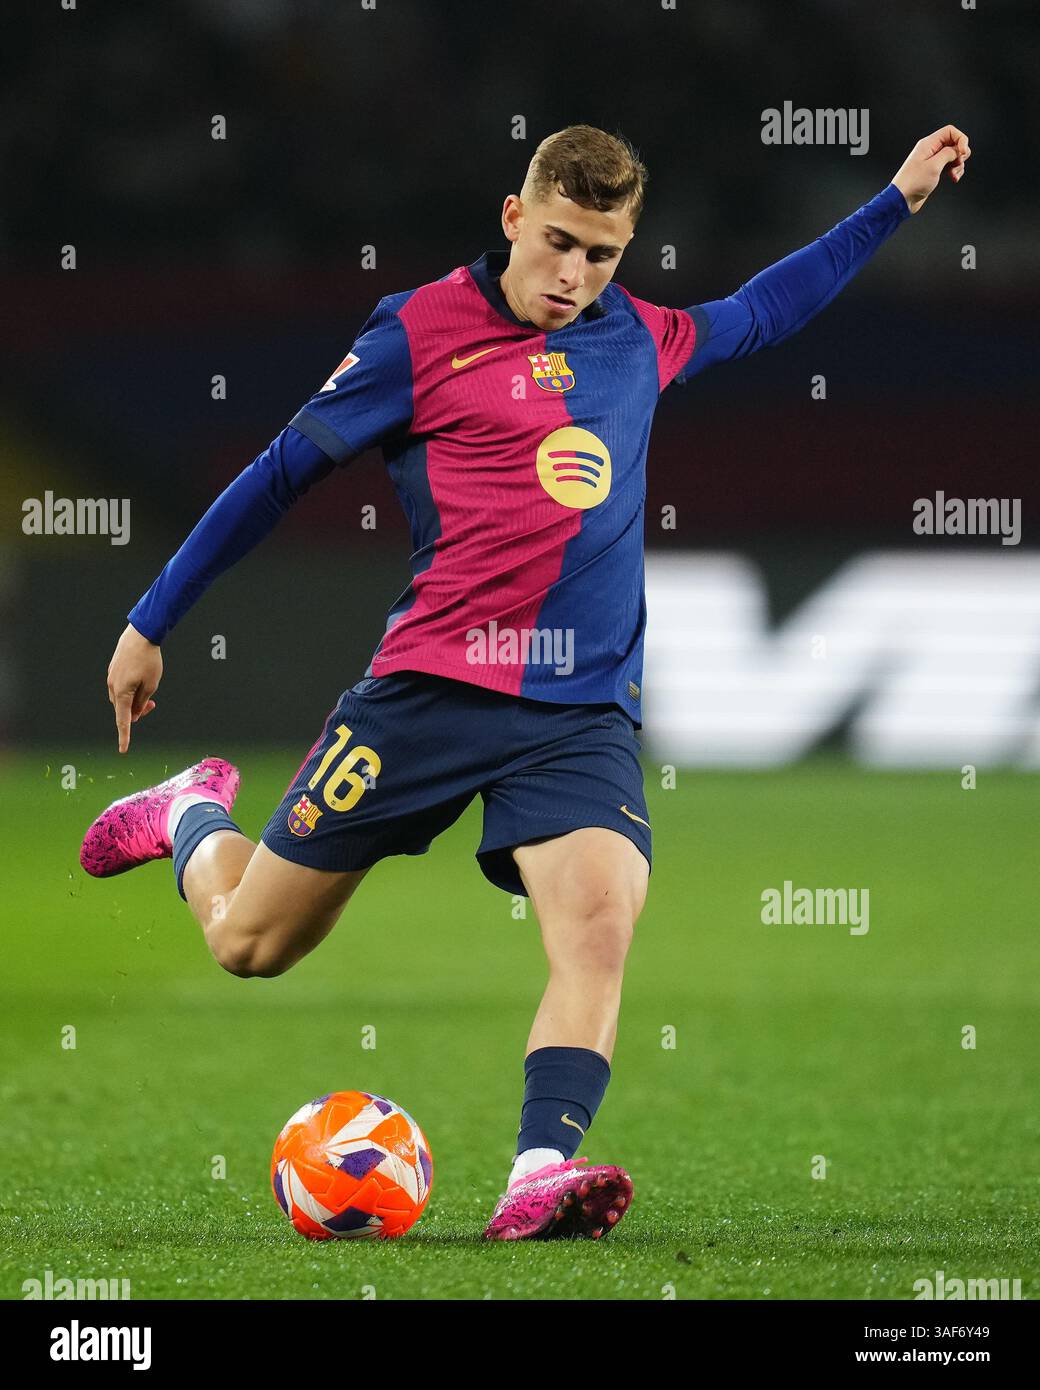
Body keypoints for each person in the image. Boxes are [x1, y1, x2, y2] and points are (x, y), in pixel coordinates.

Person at [81, 122, 970, 1241]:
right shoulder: (415, 331)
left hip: (578, 712)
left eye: (602, 254)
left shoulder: (638, 336)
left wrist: (892, 198)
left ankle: (537, 1172)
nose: (575, 275)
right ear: (513, 217)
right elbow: (275, 475)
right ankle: (189, 812)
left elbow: (765, 308)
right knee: (251, 944)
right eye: (558, 243)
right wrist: (150, 620)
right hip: (426, 694)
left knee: (598, 923)